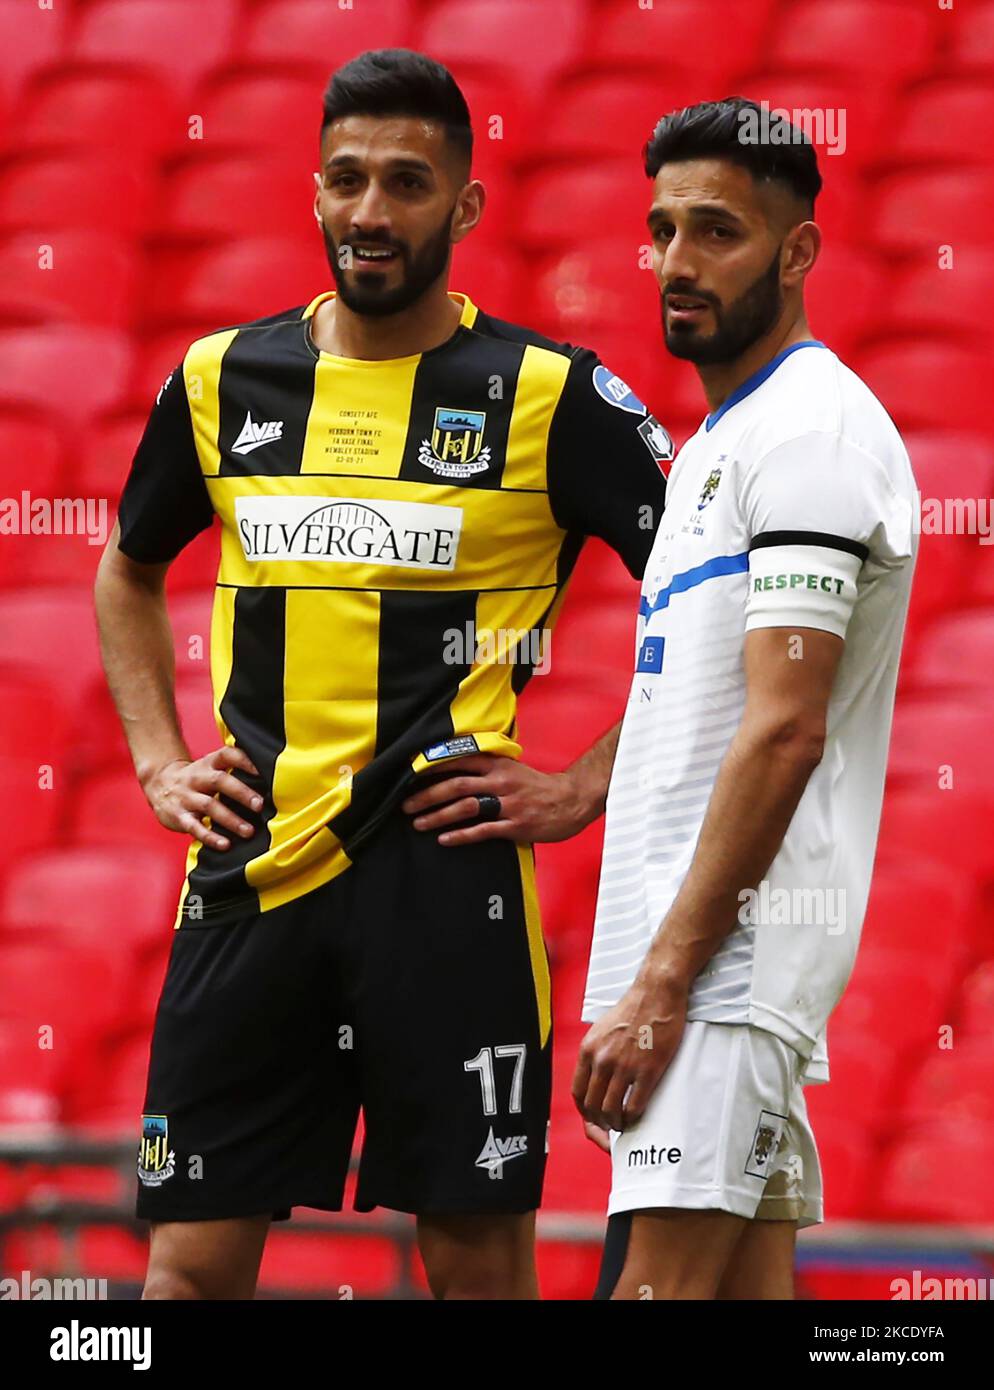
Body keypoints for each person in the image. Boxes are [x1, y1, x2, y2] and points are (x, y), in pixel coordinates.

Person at [93, 48, 670, 1300]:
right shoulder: (216, 380)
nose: (370, 211)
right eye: (347, 179)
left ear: (464, 205)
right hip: (251, 868)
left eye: (407, 182)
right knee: (186, 1271)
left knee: (472, 1268)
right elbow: (126, 571)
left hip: (444, 878)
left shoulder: (548, 396)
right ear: (313, 192)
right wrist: (155, 759)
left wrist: (584, 784)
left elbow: (702, 602)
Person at [573, 97, 917, 1300]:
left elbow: (785, 725)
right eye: (661, 228)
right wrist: (575, 787)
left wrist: (665, 981)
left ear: (798, 249)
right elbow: (711, 698)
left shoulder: (814, 434)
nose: (675, 262)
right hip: (711, 967)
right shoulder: (727, 435)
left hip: (725, 972)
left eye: (715, 231)